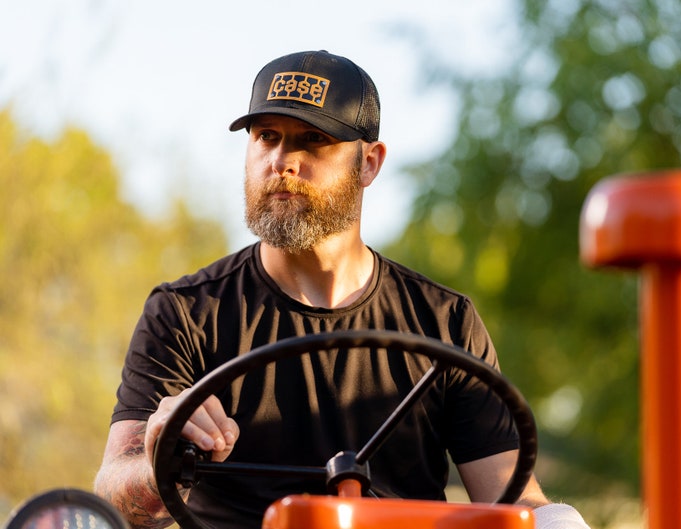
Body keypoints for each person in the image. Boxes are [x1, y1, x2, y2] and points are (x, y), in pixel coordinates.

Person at [93, 50, 590, 529]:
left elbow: (513, 499)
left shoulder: (445, 322)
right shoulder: (185, 313)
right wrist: (159, 459)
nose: (282, 161)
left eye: (312, 140)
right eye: (267, 136)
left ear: (369, 163)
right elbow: (115, 496)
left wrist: (559, 523)